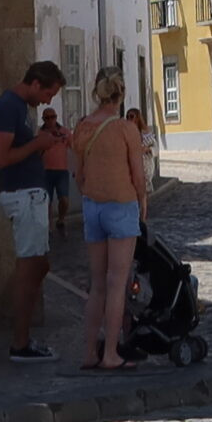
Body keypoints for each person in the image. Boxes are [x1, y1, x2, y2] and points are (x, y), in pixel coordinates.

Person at [0, 60, 68, 361]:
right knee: (29, 267)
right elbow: (1, 157)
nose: (48, 101)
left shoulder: (19, 108)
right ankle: (20, 343)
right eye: (47, 93)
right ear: (35, 84)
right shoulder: (9, 106)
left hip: (31, 194)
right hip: (23, 195)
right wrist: (37, 144)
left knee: (39, 265)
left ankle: (23, 339)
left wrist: (42, 144)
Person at [73, 68, 151, 370]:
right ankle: (110, 354)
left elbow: (79, 175)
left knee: (97, 285)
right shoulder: (125, 129)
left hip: (92, 207)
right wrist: (142, 201)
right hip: (120, 205)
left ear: (97, 92)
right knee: (117, 283)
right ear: (121, 94)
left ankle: (89, 353)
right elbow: (138, 175)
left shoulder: (83, 127)